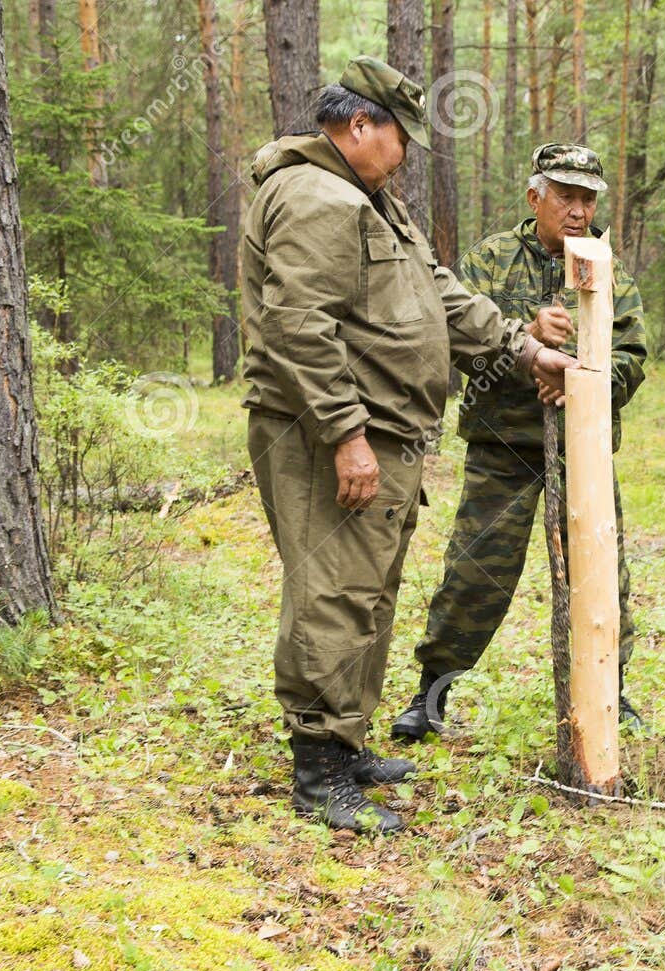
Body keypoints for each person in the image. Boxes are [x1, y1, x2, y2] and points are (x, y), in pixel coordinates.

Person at [240, 57, 575, 832]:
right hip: (332, 434)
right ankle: (320, 774)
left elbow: (442, 296)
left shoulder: (370, 201)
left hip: (384, 431)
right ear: (361, 125)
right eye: (401, 139)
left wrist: (523, 347)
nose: (405, 156)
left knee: (368, 593)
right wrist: (345, 432)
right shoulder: (315, 196)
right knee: (334, 594)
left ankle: (346, 741)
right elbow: (298, 324)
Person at [391, 143, 648, 741]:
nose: (579, 211)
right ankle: (432, 692)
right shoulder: (490, 262)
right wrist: (526, 344)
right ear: (536, 197)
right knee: (474, 573)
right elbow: (459, 342)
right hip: (501, 447)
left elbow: (633, 357)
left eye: (588, 200)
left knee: (602, 578)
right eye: (566, 197)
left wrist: (582, 382)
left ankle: (611, 695)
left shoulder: (609, 268)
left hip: (582, 451)